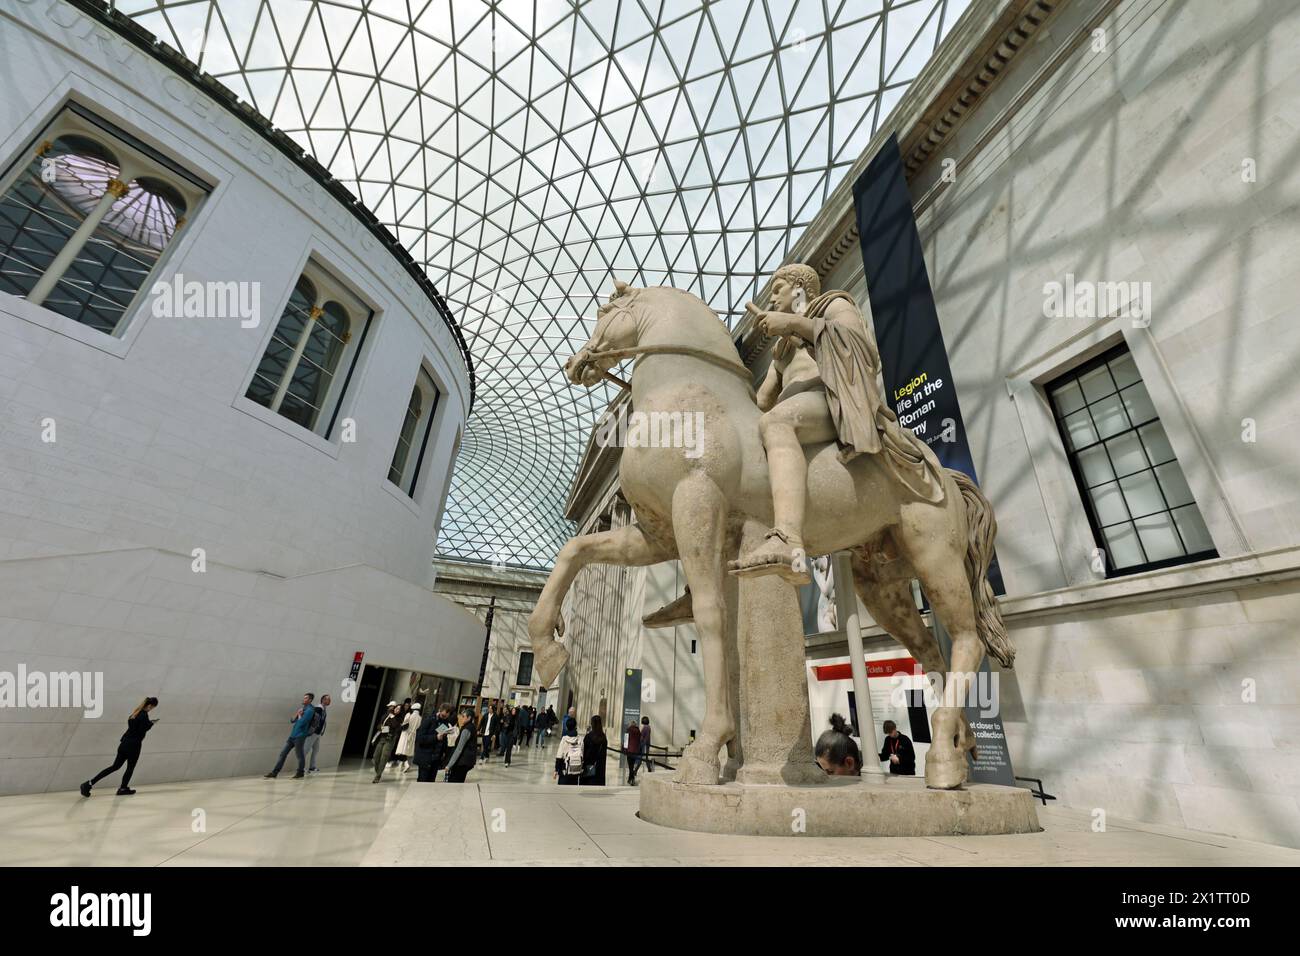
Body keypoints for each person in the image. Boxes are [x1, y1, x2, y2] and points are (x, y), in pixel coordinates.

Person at [727, 264, 944, 582]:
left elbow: (857, 346)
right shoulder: (783, 349)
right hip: (799, 414)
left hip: (833, 402)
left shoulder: (833, 305)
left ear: (800, 290)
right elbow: (762, 401)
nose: (772, 299)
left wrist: (797, 324)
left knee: (776, 423)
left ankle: (788, 537)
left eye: (778, 290)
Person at [81, 697, 158, 797]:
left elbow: (134, 728)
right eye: (152, 707)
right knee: (130, 768)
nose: (151, 709)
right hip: (133, 746)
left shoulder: (134, 713)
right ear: (149, 706)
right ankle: (123, 788)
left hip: (124, 744)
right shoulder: (144, 715)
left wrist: (148, 724)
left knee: (114, 767)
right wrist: (151, 723)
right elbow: (142, 729)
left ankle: (88, 784)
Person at [265, 693, 316, 779]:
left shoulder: (310, 710)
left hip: (300, 736)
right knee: (283, 754)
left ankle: (300, 772)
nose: (303, 699)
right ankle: (275, 772)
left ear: (310, 700)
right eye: (304, 698)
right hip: (293, 735)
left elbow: (302, 722)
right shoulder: (303, 709)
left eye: (306, 698)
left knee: (299, 755)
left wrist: (300, 715)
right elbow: (292, 720)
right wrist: (297, 713)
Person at [413, 704, 453, 782]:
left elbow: (442, 739)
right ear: (439, 711)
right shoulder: (429, 720)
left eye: (446, 716)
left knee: (431, 782)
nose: (444, 718)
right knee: (422, 781)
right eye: (443, 715)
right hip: (425, 757)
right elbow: (420, 738)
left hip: (436, 759)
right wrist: (436, 737)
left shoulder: (444, 722)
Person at [370, 702, 402, 783]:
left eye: (399, 709)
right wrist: (380, 727)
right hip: (382, 738)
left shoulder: (398, 718)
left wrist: (393, 717)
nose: (397, 710)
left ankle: (378, 776)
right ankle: (378, 772)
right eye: (396, 708)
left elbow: (396, 726)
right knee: (376, 757)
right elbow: (379, 724)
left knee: (384, 757)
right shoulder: (386, 715)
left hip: (390, 739)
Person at [444, 708, 478, 783]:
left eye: (463, 716)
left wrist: (449, 765)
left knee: (454, 783)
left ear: (469, 718)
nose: (461, 718)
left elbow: (459, 748)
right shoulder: (471, 727)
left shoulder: (467, 729)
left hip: (462, 762)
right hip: (466, 761)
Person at [304, 693, 330, 774]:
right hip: (313, 733)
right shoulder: (318, 708)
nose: (329, 701)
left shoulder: (323, 709)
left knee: (316, 750)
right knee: (306, 749)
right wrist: (312, 731)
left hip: (318, 734)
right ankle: (301, 767)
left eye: (329, 699)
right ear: (323, 700)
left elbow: (323, 721)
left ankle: (312, 767)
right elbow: (315, 721)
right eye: (327, 699)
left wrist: (322, 731)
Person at [554, 716, 582, 785]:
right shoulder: (580, 739)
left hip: (564, 769)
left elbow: (559, 755)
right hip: (576, 767)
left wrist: (556, 769)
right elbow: (582, 753)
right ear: (575, 726)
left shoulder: (564, 739)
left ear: (567, 727)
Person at [580, 715, 607, 786]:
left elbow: (583, 751)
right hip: (599, 767)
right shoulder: (603, 737)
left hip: (589, 765)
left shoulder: (588, 736)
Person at [396, 702, 422, 773]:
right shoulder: (420, 718)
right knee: (407, 751)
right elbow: (418, 727)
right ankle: (404, 764)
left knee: (402, 750)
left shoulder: (409, 715)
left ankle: (406, 764)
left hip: (406, 733)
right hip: (413, 734)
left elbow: (404, 723)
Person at [625, 720, 642, 785]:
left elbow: (626, 740)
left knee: (630, 766)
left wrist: (624, 749)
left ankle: (632, 779)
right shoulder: (638, 731)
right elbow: (640, 740)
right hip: (635, 750)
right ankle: (630, 779)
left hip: (629, 750)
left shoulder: (628, 730)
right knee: (631, 766)